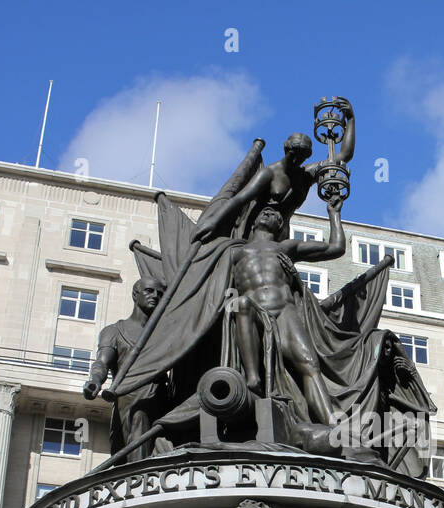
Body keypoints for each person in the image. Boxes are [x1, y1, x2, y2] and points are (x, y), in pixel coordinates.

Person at [228, 198, 346, 421]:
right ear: (252, 223)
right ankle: (253, 379)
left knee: (310, 365)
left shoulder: (286, 247)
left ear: (280, 226)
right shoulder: (235, 253)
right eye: (265, 211)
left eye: (275, 215)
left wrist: (334, 214)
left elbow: (336, 247)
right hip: (251, 311)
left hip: (284, 312)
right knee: (241, 303)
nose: (270, 214)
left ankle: (332, 424)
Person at [191, 101, 355, 245]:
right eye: (294, 155)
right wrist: (213, 222)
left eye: (302, 157)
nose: (296, 160)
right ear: (286, 149)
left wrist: (351, 119)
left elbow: (342, 156)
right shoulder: (269, 173)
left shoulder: (305, 175)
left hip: (280, 236)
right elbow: (240, 199)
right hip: (255, 234)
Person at [83, 277, 171, 459]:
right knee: (139, 412)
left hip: (163, 399)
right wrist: (95, 380)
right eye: (149, 291)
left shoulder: (165, 334)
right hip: (132, 399)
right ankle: (140, 475)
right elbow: (102, 362)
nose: (155, 296)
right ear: (135, 294)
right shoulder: (114, 331)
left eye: (160, 294)